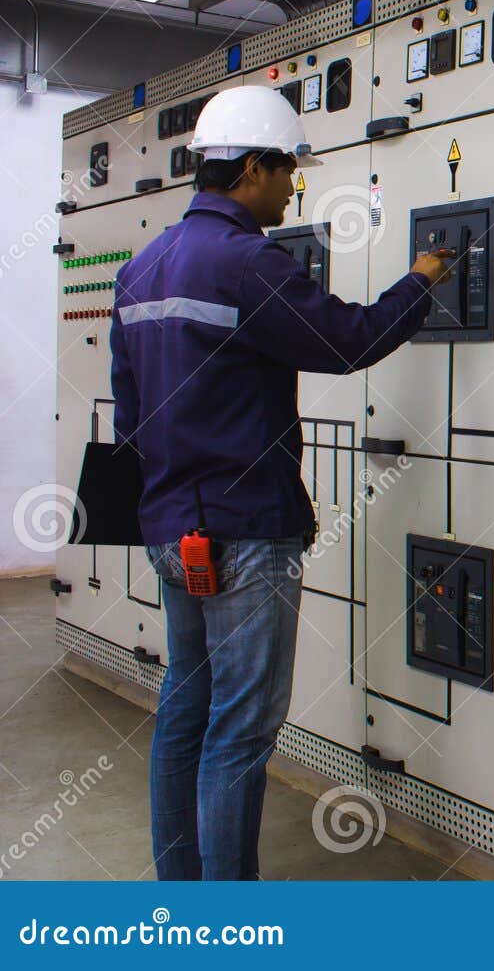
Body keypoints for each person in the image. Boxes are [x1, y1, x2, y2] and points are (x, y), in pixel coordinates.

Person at [109, 85, 453, 880]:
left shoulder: (139, 269)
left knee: (185, 715)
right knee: (240, 733)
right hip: (243, 531)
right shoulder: (244, 259)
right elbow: (346, 341)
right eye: (288, 170)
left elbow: (131, 416)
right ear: (253, 169)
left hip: (170, 529)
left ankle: (182, 896)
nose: (294, 186)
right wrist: (422, 279)